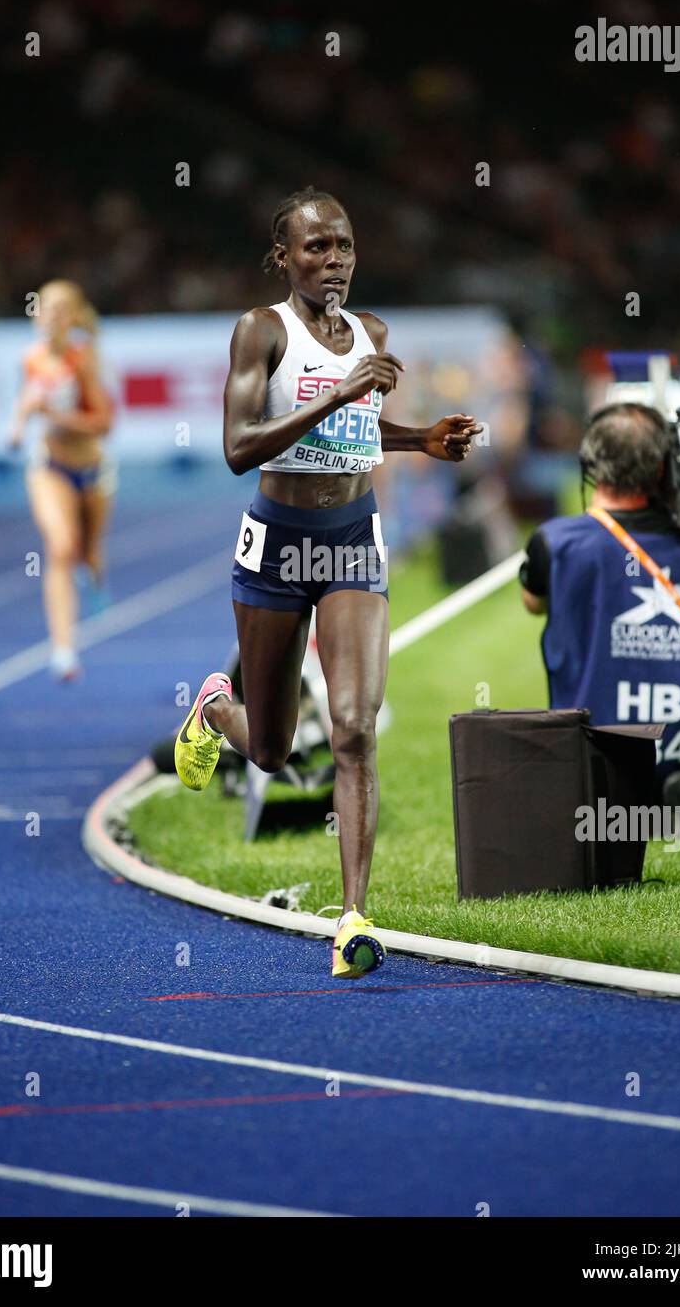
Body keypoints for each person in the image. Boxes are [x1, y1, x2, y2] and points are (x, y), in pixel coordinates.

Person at [175, 186, 480, 977]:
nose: (334, 259)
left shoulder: (372, 333)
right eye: (317, 247)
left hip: (351, 543)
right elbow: (239, 446)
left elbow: (356, 432)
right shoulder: (261, 331)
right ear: (284, 258)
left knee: (352, 729)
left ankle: (353, 921)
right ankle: (217, 709)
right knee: (274, 752)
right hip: (277, 547)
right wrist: (340, 392)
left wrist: (421, 439)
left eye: (343, 245)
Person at [520, 402, 680, 823]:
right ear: (662, 466)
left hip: (592, 759)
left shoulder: (556, 541)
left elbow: (533, 602)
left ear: (592, 464)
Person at [10, 279, 116, 681]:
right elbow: (27, 399)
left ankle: (94, 576)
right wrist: (18, 426)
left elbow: (103, 423)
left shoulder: (83, 359)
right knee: (60, 547)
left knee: (89, 554)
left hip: (92, 470)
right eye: (45, 308)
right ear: (35, 315)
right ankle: (63, 649)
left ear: (72, 317)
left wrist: (55, 417)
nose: (51, 317)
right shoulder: (30, 359)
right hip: (49, 466)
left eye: (60, 310)